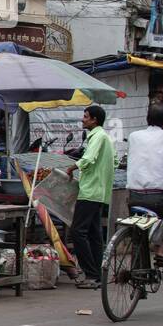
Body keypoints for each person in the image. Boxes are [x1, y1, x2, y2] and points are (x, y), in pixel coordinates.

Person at [65, 104, 114, 287]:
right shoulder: (104, 137)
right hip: (99, 190)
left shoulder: (97, 137)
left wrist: (71, 167)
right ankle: (98, 275)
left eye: (85, 116)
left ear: (94, 120)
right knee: (94, 234)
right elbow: (114, 161)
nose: (83, 119)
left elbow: (88, 159)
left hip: (90, 191)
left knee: (78, 232)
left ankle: (92, 275)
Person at [128, 103, 163, 258]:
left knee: (139, 231)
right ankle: (162, 249)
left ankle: (138, 269)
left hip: (134, 196)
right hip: (159, 198)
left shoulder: (133, 136)